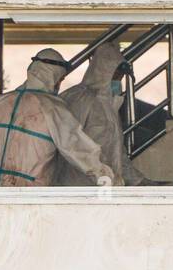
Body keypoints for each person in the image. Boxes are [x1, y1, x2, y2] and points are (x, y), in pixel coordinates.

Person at [0, 48, 115, 187]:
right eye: (60, 79)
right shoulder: (51, 107)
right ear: (54, 77)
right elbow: (77, 147)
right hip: (30, 198)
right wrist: (106, 176)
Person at [55, 42, 146, 186]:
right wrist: (102, 175)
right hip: (76, 187)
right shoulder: (80, 99)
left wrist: (140, 181)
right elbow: (71, 145)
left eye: (120, 77)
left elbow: (117, 156)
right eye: (115, 76)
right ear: (104, 71)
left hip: (103, 188)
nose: (118, 81)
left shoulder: (110, 107)